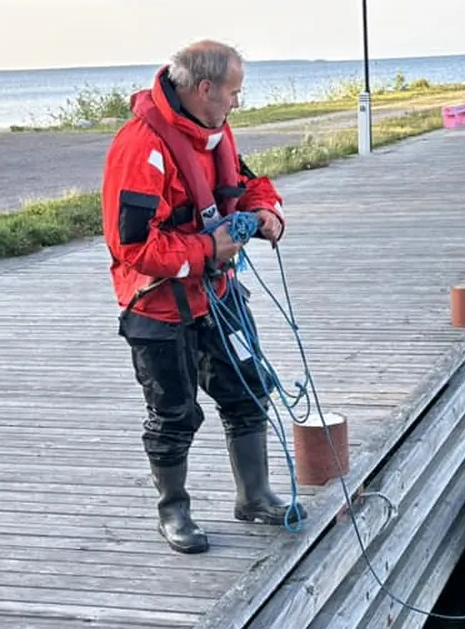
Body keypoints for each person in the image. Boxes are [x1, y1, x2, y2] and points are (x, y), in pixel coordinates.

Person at [99, 39, 305, 554]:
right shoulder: (140, 147)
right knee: (174, 414)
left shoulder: (214, 133)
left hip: (218, 293)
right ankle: (174, 514)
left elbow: (248, 184)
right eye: (234, 92)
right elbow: (131, 244)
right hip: (159, 308)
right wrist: (208, 246)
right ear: (205, 88)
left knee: (250, 388)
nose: (239, 102)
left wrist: (267, 213)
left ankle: (254, 497)